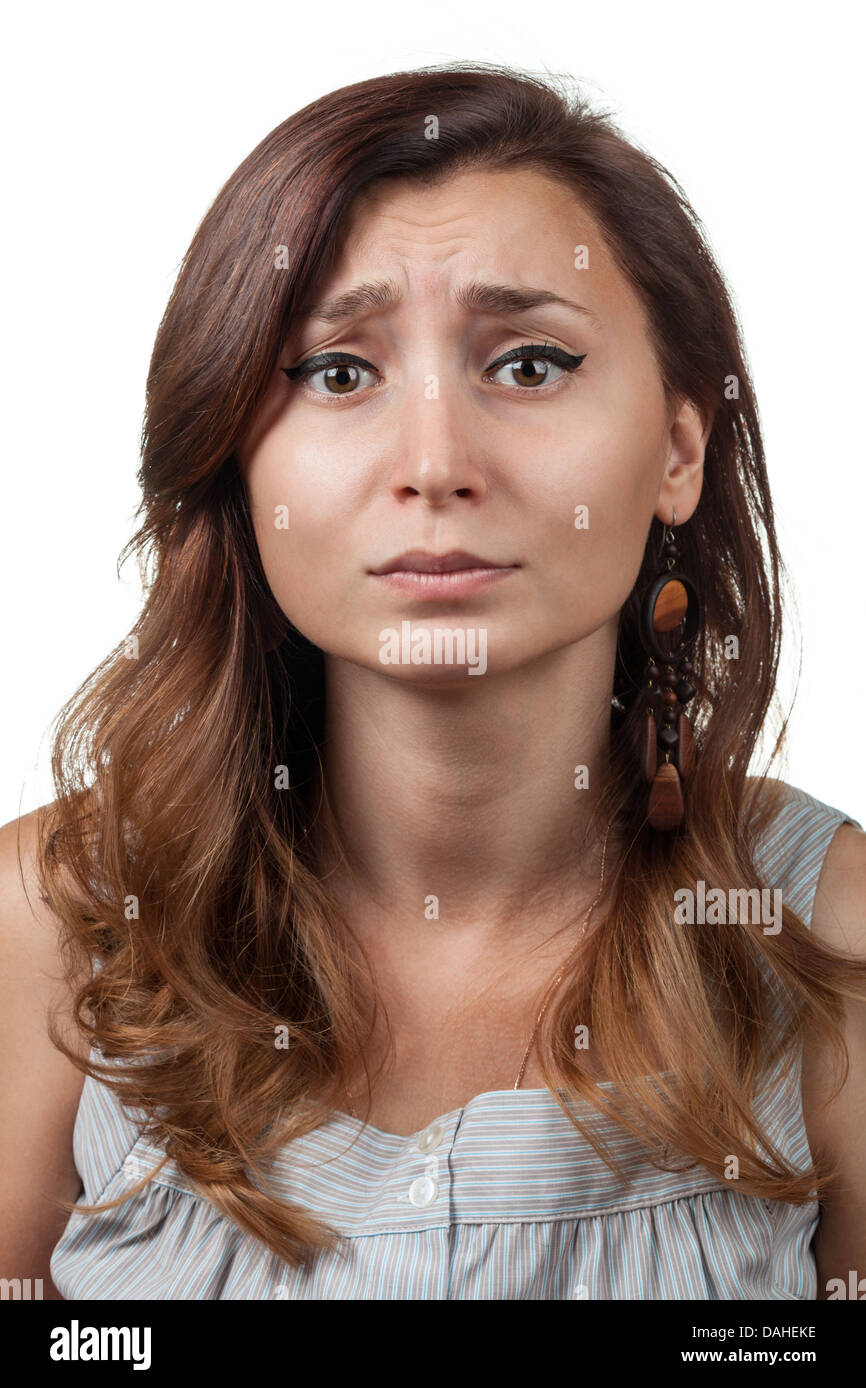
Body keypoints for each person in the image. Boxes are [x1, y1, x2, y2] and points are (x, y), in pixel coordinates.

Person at [2, 62, 865, 1301]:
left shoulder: (825, 940)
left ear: (677, 447)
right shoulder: (44, 927)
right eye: (338, 373)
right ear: (236, 456)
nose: (433, 461)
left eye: (526, 365)